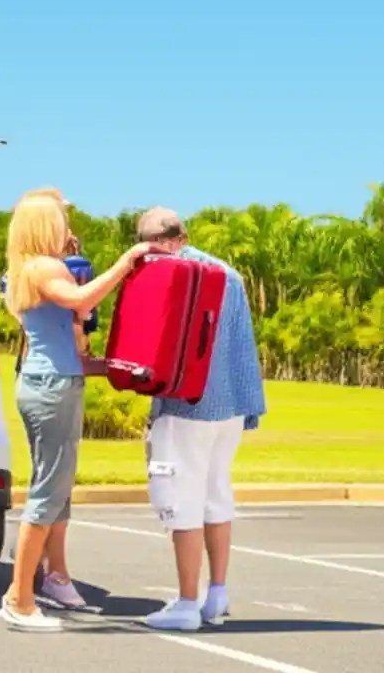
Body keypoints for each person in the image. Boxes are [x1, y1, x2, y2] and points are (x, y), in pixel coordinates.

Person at [0, 188, 152, 632]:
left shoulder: (27, 269)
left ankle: (52, 580)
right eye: (61, 219)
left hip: (47, 380)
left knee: (56, 490)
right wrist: (125, 263)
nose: (69, 227)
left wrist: (111, 367)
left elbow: (61, 342)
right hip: (52, 388)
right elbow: (82, 301)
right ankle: (19, 598)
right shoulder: (46, 268)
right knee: (48, 493)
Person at [132, 206, 267, 632]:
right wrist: (249, 407)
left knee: (181, 501)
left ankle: (187, 603)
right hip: (228, 407)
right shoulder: (229, 275)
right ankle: (217, 593)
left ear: (152, 240)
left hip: (184, 405)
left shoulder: (162, 273)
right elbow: (243, 345)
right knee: (216, 496)